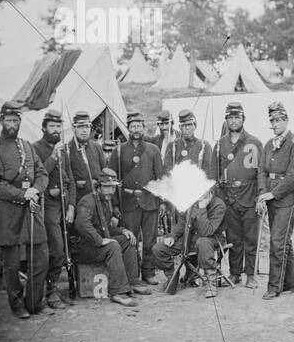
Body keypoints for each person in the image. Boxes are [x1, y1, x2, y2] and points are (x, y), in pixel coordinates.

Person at [0, 102, 50, 318]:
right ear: (1, 121)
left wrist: (35, 190)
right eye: (8, 120)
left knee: (40, 256)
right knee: (11, 263)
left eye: (15, 120)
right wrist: (23, 194)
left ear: (20, 122)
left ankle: (34, 302)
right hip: (8, 211)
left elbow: (42, 174)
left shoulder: (28, 146)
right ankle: (17, 304)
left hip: (31, 209)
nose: (12, 124)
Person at [72, 168, 151, 306]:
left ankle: (132, 281)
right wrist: (100, 240)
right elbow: (81, 223)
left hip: (96, 245)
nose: (111, 191)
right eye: (107, 187)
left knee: (128, 240)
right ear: (99, 187)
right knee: (113, 246)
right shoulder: (88, 201)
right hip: (85, 247)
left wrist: (122, 230)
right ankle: (118, 292)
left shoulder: (104, 202)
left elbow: (105, 228)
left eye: (112, 188)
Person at [209, 101, 264, 289]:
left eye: (237, 117)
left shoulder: (254, 142)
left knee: (251, 238)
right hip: (229, 199)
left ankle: (251, 274)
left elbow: (261, 173)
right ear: (226, 120)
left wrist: (260, 197)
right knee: (233, 238)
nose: (233, 121)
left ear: (243, 119)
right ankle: (235, 273)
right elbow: (213, 175)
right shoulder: (219, 145)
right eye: (230, 118)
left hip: (250, 197)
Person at [258, 101, 294, 300]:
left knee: (277, 242)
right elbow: (262, 171)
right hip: (270, 198)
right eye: (272, 120)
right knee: (282, 241)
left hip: (286, 199)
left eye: (278, 120)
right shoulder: (269, 144)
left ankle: (274, 287)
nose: (275, 124)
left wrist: (273, 193)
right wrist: (262, 193)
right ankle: (290, 282)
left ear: (286, 120)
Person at [29, 109, 73, 309]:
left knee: (63, 248)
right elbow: (36, 177)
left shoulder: (64, 149)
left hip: (62, 206)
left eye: (58, 126)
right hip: (44, 206)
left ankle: (54, 287)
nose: (56, 130)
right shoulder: (35, 148)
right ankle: (49, 291)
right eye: (52, 126)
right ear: (44, 128)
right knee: (55, 249)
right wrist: (54, 157)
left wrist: (71, 205)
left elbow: (70, 179)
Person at [116, 112, 164, 285]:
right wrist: (116, 204)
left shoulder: (153, 150)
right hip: (129, 202)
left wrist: (163, 202)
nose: (136, 129)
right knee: (131, 240)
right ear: (128, 128)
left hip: (150, 201)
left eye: (139, 126)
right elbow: (114, 179)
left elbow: (161, 178)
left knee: (150, 240)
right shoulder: (119, 150)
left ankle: (148, 272)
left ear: (143, 128)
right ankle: (132, 273)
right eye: (132, 126)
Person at [152, 189, 227, 298]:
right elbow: (182, 223)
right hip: (190, 237)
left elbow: (207, 231)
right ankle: (172, 279)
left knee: (203, 243)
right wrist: (172, 236)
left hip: (212, 238)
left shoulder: (219, 205)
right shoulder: (191, 201)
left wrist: (202, 208)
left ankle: (211, 283)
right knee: (159, 248)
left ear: (210, 192)